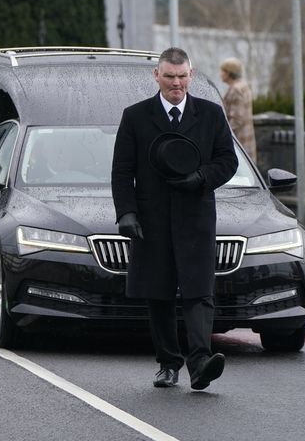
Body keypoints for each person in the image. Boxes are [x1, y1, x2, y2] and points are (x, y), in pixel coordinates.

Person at [111, 47, 238, 390]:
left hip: (196, 218)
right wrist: (126, 213)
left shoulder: (210, 114)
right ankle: (168, 364)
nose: (176, 84)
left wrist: (199, 178)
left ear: (191, 76)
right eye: (169, 77)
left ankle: (200, 363)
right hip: (152, 220)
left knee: (199, 290)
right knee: (159, 292)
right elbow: (122, 171)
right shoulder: (136, 116)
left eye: (182, 77)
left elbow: (228, 161)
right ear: (157, 76)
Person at [219, 57, 257, 162]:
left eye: (222, 71)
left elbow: (236, 120)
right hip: (246, 140)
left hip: (240, 143)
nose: (220, 74)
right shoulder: (243, 86)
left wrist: (221, 135)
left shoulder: (236, 90)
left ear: (228, 73)